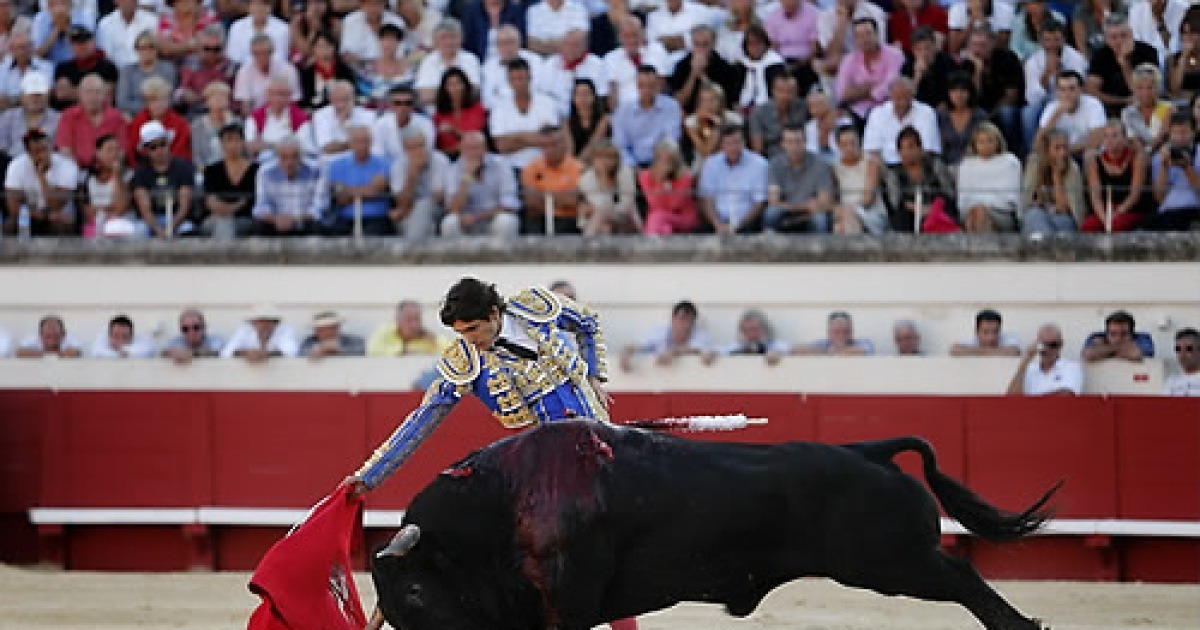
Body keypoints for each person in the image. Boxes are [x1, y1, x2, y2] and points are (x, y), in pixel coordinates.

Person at [346, 277, 615, 493]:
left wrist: (594, 374)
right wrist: (369, 476)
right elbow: (422, 420)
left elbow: (588, 321)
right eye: (461, 332)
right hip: (547, 453)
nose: (469, 339)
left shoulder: (533, 307)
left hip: (597, 425)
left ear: (494, 313)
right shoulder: (465, 363)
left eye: (473, 328)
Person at [1022, 20, 1087, 154]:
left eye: (1056, 39)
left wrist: (1058, 73)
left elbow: (1081, 89)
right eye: (1047, 40)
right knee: (1028, 113)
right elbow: (1032, 99)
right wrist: (1046, 74)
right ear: (1040, 41)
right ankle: (1033, 155)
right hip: (1045, 105)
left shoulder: (1076, 59)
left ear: (1063, 39)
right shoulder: (1033, 62)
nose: (1052, 45)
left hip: (1072, 103)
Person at [957, 25, 1024, 155]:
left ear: (992, 43)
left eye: (982, 45)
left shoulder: (1008, 58)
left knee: (1006, 113)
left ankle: (1014, 152)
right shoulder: (966, 64)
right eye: (974, 45)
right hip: (980, 109)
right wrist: (977, 71)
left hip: (1004, 108)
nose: (978, 50)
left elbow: (1011, 96)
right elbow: (971, 98)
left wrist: (990, 115)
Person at [440, 131, 522, 237]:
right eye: (468, 148)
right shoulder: (453, 169)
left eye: (476, 148)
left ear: (485, 149)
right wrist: (467, 177)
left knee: (506, 221)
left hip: (493, 219)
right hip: (466, 222)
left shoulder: (501, 164)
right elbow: (453, 208)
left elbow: (509, 204)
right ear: (461, 149)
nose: (472, 153)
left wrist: (478, 217)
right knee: (449, 223)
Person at [489, 58, 560, 171]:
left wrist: (517, 138)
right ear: (509, 82)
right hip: (510, 169)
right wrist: (530, 137)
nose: (518, 83)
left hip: (543, 166)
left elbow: (550, 140)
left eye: (521, 78)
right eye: (513, 79)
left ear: (530, 77)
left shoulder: (547, 103)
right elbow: (501, 146)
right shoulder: (499, 107)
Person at [4, 128, 78, 236]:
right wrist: (44, 216)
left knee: (61, 224)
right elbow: (13, 208)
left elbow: (55, 205)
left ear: (50, 148)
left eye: (44, 149)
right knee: (10, 225)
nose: (42, 154)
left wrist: (41, 175)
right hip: (32, 215)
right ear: (28, 153)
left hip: (61, 216)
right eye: (37, 151)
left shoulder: (67, 166)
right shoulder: (16, 166)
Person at [881, 126, 956, 232]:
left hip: (936, 210)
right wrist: (917, 209)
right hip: (909, 213)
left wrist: (932, 209)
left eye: (910, 147)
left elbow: (949, 193)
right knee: (900, 216)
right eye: (902, 148)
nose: (906, 152)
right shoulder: (893, 172)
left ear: (920, 149)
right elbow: (895, 201)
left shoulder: (935, 166)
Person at [698, 125, 769, 234]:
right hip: (717, 223)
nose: (733, 147)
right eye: (728, 143)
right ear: (721, 145)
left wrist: (737, 226)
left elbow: (759, 202)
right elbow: (707, 199)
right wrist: (717, 224)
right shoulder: (710, 164)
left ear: (744, 142)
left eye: (737, 142)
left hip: (747, 223)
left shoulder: (760, 164)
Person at [1082, 120, 1151, 233]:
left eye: (1114, 135)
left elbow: (1135, 195)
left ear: (1124, 138)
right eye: (1106, 136)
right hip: (1105, 209)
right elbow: (1095, 196)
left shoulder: (1136, 159)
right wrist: (1104, 217)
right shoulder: (1095, 161)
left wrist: (1117, 212)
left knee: (1116, 226)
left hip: (1129, 209)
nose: (1109, 140)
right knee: (1088, 226)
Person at [322, 124, 393, 235]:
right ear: (350, 144)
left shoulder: (384, 164)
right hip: (345, 217)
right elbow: (341, 198)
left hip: (376, 217)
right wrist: (369, 190)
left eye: (365, 141)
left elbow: (378, 190)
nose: (361, 146)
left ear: (371, 143)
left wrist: (350, 191)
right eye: (357, 142)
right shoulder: (336, 165)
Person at [131, 120, 196, 238]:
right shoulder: (140, 173)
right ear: (146, 150)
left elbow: (184, 206)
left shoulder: (183, 167)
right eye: (153, 147)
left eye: (162, 144)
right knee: (139, 231)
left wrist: (170, 227)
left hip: (178, 220)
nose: (159, 150)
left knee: (188, 229)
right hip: (151, 221)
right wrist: (158, 230)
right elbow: (145, 209)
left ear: (168, 143)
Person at [765, 125, 835, 233]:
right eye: (789, 142)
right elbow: (773, 201)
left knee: (819, 219)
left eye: (798, 141)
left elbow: (825, 201)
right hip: (790, 208)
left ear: (805, 143)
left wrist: (810, 207)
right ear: (783, 144)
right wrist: (803, 206)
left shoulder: (820, 164)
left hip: (811, 211)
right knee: (771, 213)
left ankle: (821, 249)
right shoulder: (775, 164)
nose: (794, 147)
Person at [1086, 16, 1159, 118]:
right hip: (1111, 108)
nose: (1119, 41)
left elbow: (1143, 91)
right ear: (1106, 40)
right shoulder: (1100, 55)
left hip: (1145, 104)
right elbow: (1092, 91)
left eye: (1124, 35)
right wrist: (1123, 101)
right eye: (1114, 37)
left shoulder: (1148, 52)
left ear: (1132, 35)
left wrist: (1125, 63)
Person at [611, 65, 681, 169]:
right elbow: (620, 145)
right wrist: (633, 166)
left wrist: (657, 167)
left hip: (663, 161)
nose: (646, 90)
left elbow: (671, 139)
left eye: (651, 85)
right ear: (636, 85)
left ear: (658, 85)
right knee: (624, 172)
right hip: (632, 165)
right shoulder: (623, 110)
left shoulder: (671, 106)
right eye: (642, 85)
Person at [956, 122, 1021, 233]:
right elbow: (963, 201)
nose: (985, 145)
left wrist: (985, 206)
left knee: (979, 213)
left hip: (1002, 213)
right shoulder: (966, 165)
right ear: (974, 144)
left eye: (990, 140)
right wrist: (977, 207)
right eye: (981, 141)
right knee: (974, 215)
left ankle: (981, 249)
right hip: (971, 213)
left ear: (997, 142)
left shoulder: (1009, 162)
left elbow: (1011, 199)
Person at [834, 17, 904, 119]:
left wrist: (857, 91)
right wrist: (872, 86)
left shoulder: (894, 55)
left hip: (886, 109)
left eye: (868, 33)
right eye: (859, 36)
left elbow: (887, 88)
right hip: (856, 112)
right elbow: (841, 94)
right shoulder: (849, 59)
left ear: (877, 34)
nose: (864, 39)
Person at [252, 135, 322, 235]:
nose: (289, 162)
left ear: (301, 156)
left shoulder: (316, 170)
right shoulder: (265, 172)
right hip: (276, 222)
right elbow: (261, 206)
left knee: (317, 225)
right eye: (284, 157)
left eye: (294, 156)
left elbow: (318, 208)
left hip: (304, 221)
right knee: (259, 226)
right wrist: (276, 219)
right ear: (277, 157)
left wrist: (294, 219)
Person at [863, 76, 940, 167]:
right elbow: (872, 149)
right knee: (872, 164)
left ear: (912, 96)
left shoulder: (926, 112)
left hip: (916, 165)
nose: (902, 103)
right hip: (885, 167)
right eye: (898, 98)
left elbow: (928, 149)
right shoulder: (877, 114)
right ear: (890, 96)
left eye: (905, 98)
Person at [667, 24, 745, 114]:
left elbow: (726, 102)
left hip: (718, 116)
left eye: (705, 44)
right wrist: (693, 75)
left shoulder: (725, 68)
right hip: (689, 115)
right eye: (697, 44)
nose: (700, 49)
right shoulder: (681, 66)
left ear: (713, 44)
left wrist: (704, 78)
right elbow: (678, 102)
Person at [55, 73, 127, 170]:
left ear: (105, 95)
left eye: (97, 92)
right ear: (79, 94)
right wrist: (78, 172)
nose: (93, 97)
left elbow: (122, 150)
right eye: (88, 92)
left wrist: (107, 170)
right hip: (77, 170)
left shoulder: (117, 117)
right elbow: (65, 149)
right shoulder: (68, 116)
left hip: (109, 170)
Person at [620, 299, 715, 371]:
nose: (686, 324)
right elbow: (637, 346)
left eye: (690, 320)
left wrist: (673, 353)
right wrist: (626, 354)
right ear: (673, 319)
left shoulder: (701, 335)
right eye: (682, 318)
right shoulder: (659, 332)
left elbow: (701, 351)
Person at [521, 125, 583, 234]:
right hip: (539, 218)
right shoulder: (531, 167)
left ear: (563, 145)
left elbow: (572, 200)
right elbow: (531, 201)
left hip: (568, 219)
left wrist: (543, 196)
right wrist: (560, 197)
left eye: (553, 145)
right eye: (544, 146)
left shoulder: (577, 168)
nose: (549, 150)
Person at [199, 123, 258, 239]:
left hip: (245, 218)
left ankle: (221, 256)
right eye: (228, 140)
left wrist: (230, 210)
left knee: (226, 223)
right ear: (221, 144)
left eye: (237, 140)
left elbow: (250, 200)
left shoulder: (256, 170)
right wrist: (222, 210)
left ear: (243, 143)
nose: (233, 145)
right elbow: (209, 199)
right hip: (215, 217)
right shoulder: (212, 170)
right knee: (222, 222)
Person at [1021, 128, 1084, 235]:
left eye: (1065, 147)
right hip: (1039, 217)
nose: (1063, 153)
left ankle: (1046, 245)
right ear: (1047, 150)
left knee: (1058, 222)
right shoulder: (1034, 165)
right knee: (1034, 215)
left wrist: (1057, 175)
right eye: (1057, 148)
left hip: (1063, 219)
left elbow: (1065, 209)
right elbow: (1027, 202)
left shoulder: (1073, 169)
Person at [389, 128, 448, 240]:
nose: (419, 151)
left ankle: (412, 251)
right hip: (408, 212)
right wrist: (412, 173)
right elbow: (400, 201)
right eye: (413, 148)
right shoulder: (398, 165)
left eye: (421, 146)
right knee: (409, 224)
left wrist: (407, 209)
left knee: (424, 205)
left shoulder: (440, 160)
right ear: (405, 150)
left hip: (437, 209)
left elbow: (439, 197)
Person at [1147, 112, 1200, 231]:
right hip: (1168, 212)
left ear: (1193, 132)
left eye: (1184, 132)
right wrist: (1164, 167)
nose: (1179, 138)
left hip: (1194, 210)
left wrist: (1187, 168)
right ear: (1169, 134)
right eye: (1175, 133)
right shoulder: (1160, 157)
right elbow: (1159, 197)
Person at [831, 124, 888, 235]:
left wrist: (849, 209)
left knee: (845, 221)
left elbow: (868, 199)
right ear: (838, 146)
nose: (849, 148)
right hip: (846, 215)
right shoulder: (835, 167)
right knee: (839, 227)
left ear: (859, 142)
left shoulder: (871, 163)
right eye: (844, 145)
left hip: (871, 213)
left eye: (853, 143)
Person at [1038, 70, 1106, 159]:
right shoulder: (1052, 108)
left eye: (1072, 89)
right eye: (1062, 90)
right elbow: (1037, 144)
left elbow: (1096, 141)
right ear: (1057, 92)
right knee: (1035, 158)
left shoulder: (1093, 104)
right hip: (1061, 156)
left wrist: (1064, 151)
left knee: (1090, 154)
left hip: (1084, 154)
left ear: (1081, 90)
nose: (1067, 94)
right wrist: (1056, 115)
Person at [603, 15, 668, 108]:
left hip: (654, 110)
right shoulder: (610, 58)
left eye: (635, 35)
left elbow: (661, 85)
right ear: (619, 37)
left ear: (642, 33)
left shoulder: (657, 51)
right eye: (627, 36)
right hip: (625, 113)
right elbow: (612, 94)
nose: (632, 40)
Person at [245, 75, 311, 164]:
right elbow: (250, 146)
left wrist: (267, 145)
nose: (278, 98)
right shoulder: (255, 117)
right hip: (262, 163)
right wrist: (280, 146)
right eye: (275, 94)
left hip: (293, 163)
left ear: (289, 96)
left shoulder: (301, 118)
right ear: (268, 95)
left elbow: (303, 147)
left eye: (283, 94)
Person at [50, 25, 118, 111]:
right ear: (71, 46)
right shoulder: (63, 67)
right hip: (67, 116)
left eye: (84, 41)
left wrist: (71, 91)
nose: (81, 46)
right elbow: (61, 94)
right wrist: (94, 93)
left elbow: (107, 98)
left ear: (93, 42)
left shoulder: (107, 67)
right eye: (76, 43)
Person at [128, 76, 191, 166]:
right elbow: (133, 150)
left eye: (162, 99)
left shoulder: (180, 124)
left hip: (174, 169)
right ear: (146, 103)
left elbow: (182, 153)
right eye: (153, 101)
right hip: (145, 169)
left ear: (168, 100)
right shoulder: (138, 121)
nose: (158, 104)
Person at [578, 140, 638, 235]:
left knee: (602, 214)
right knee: (605, 228)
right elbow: (600, 204)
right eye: (600, 157)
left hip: (625, 218)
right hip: (599, 220)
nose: (605, 161)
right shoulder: (586, 178)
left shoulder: (625, 172)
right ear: (593, 159)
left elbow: (626, 204)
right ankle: (588, 244)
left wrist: (605, 176)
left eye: (609, 157)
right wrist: (603, 177)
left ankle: (586, 244)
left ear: (616, 159)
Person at [542, 28, 607, 116]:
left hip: (585, 117)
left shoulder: (597, 65)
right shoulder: (550, 63)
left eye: (576, 45)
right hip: (553, 116)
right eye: (567, 44)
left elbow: (600, 97)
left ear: (585, 46)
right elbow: (542, 93)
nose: (570, 48)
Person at [77, 133, 131, 239]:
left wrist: (116, 175)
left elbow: (120, 208)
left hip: (120, 221)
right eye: (110, 150)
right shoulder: (85, 176)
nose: (114, 154)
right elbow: (85, 208)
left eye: (117, 150)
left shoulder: (127, 175)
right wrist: (108, 209)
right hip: (94, 222)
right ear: (98, 153)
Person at [1006, 323, 1083, 396]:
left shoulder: (1071, 367)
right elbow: (1010, 398)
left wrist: (1032, 401)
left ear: (1061, 345)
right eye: (1042, 345)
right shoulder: (1029, 369)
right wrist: (1025, 361)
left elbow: (1067, 395)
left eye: (1052, 345)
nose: (1046, 349)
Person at [640, 139, 698, 235]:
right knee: (665, 227)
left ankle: (650, 246)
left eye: (668, 160)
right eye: (661, 159)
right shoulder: (645, 176)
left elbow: (674, 205)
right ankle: (661, 248)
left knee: (657, 217)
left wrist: (665, 181)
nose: (664, 164)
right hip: (659, 220)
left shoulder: (685, 176)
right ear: (655, 159)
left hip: (683, 217)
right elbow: (654, 204)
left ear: (675, 161)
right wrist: (660, 181)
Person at [309, 79, 375, 161]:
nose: (342, 105)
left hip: (361, 161)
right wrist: (356, 142)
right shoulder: (320, 115)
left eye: (345, 99)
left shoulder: (368, 115)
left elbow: (370, 145)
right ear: (331, 100)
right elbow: (326, 147)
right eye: (337, 100)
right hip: (332, 162)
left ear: (353, 98)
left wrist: (346, 125)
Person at [115, 31, 177, 117]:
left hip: (163, 115)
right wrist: (150, 108)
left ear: (157, 49)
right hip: (135, 115)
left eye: (151, 47)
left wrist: (156, 109)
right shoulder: (127, 71)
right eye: (143, 48)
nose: (147, 51)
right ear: (136, 50)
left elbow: (172, 98)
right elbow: (122, 102)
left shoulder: (167, 69)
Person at [232, 35, 301, 113]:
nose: (261, 57)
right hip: (256, 117)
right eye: (256, 53)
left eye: (264, 53)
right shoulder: (244, 72)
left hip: (284, 115)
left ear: (272, 52)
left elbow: (294, 100)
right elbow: (245, 104)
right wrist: (253, 123)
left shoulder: (288, 70)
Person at [176, 25, 236, 115]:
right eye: (207, 48)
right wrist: (183, 94)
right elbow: (179, 93)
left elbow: (236, 100)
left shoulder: (231, 67)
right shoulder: (190, 63)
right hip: (195, 111)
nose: (211, 53)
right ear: (199, 47)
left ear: (223, 48)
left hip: (224, 112)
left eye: (216, 49)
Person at [0, 73, 59, 160]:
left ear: (47, 96)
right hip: (11, 164)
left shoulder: (59, 118)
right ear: (22, 96)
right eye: (30, 94)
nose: (35, 98)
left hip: (46, 165)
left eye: (39, 94)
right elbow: (2, 147)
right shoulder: (8, 116)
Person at [433, 66, 487, 159]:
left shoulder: (476, 108)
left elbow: (475, 139)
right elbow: (437, 148)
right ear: (445, 88)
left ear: (465, 85)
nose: (455, 88)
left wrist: (453, 131)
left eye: (458, 83)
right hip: (448, 159)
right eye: (450, 84)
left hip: (474, 156)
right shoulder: (439, 114)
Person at [684, 83, 740, 170]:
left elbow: (733, 147)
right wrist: (716, 128)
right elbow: (706, 152)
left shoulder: (734, 119)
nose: (707, 105)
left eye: (712, 100)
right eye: (703, 101)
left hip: (731, 161)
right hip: (703, 164)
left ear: (721, 102)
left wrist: (719, 124)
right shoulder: (691, 121)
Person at [367, 299, 452, 357]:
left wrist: (435, 344)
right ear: (397, 320)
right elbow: (372, 350)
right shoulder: (385, 332)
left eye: (417, 319)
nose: (414, 325)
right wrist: (401, 352)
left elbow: (452, 354)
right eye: (409, 320)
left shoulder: (429, 338)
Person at [937, 73, 988, 168]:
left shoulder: (979, 115)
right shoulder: (941, 115)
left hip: (975, 163)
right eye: (954, 91)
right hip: (946, 166)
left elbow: (984, 142)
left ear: (970, 93)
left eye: (963, 90)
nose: (958, 95)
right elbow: (939, 146)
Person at [298, 30, 358, 111]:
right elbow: (305, 99)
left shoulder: (345, 70)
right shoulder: (307, 73)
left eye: (327, 45)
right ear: (313, 49)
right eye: (319, 46)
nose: (323, 49)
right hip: (315, 112)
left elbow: (352, 94)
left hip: (341, 109)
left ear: (333, 47)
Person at [748, 71, 802, 161]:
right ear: (773, 91)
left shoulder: (803, 108)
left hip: (800, 158)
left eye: (790, 91)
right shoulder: (759, 113)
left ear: (796, 92)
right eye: (781, 91)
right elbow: (757, 150)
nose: (785, 96)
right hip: (771, 161)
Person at [1121, 64, 1173, 154]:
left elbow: (1161, 138)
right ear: (1134, 89)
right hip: (1138, 155)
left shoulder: (1168, 109)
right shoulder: (1127, 113)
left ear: (1157, 88)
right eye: (1140, 88)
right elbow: (1133, 140)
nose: (1145, 92)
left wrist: (1147, 153)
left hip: (1162, 152)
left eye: (1150, 88)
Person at [647, 0, 712, 72]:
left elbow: (702, 38)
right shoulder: (653, 15)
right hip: (661, 59)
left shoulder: (700, 11)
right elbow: (652, 41)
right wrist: (679, 40)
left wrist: (667, 41)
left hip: (689, 58)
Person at [372, 87, 435, 161]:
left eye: (408, 103)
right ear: (390, 105)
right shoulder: (380, 124)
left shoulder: (426, 124)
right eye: (397, 103)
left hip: (418, 165)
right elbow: (378, 154)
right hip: (388, 168)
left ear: (414, 105)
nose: (403, 107)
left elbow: (426, 151)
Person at [338, 0, 406, 68]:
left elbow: (400, 54)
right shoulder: (350, 21)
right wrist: (369, 65)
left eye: (377, 4)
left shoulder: (397, 21)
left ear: (384, 4)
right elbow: (346, 54)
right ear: (361, 4)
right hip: (358, 72)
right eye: (369, 5)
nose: (373, 9)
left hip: (391, 71)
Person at [221, 305, 300, 362]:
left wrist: (265, 354)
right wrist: (246, 353)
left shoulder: (285, 331)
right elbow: (226, 352)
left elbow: (291, 352)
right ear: (253, 323)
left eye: (267, 321)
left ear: (275, 323)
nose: (263, 325)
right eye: (259, 321)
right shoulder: (245, 330)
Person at [903, 26, 956, 110]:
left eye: (928, 48)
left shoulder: (947, 62)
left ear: (935, 46)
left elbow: (956, 87)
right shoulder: (907, 66)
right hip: (917, 109)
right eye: (919, 49)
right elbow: (905, 97)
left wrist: (946, 102)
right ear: (913, 51)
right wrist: (917, 76)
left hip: (944, 108)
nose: (924, 53)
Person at [224, 0, 289, 67]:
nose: (259, 9)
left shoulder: (283, 29)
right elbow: (233, 57)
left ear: (270, 7)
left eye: (263, 5)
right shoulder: (236, 27)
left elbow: (280, 58)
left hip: (273, 72)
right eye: (255, 5)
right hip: (242, 71)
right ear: (249, 7)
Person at [190, 82, 240, 169]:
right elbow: (197, 155)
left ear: (228, 101)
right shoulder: (197, 125)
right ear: (206, 102)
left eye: (223, 96)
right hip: (207, 170)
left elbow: (243, 153)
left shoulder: (237, 123)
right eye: (214, 96)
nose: (219, 99)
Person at [735, 25, 784, 111]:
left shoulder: (775, 64)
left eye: (758, 43)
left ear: (765, 44)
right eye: (751, 44)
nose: (755, 47)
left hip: (768, 109)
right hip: (743, 109)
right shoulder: (741, 65)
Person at [460, 0, 528, 62]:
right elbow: (467, 41)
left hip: (510, 60)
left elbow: (521, 39)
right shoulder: (471, 10)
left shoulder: (515, 10)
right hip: (479, 61)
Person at [0, 31, 52, 110]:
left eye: (25, 47)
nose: (22, 51)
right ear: (12, 50)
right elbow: (2, 97)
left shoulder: (45, 67)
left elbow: (45, 95)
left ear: (31, 48)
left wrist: (14, 100)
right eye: (18, 47)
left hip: (37, 110)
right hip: (8, 112)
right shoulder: (2, 68)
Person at [97, 0, 155, 69]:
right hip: (117, 74)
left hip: (145, 73)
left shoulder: (151, 21)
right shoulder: (105, 24)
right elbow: (107, 56)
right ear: (116, 1)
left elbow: (154, 53)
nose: (130, 2)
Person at [1128, 0, 1187, 66]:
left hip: (1178, 63)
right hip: (1149, 66)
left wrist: (1159, 19)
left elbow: (1177, 47)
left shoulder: (1184, 8)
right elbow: (1137, 46)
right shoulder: (1136, 11)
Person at [1082, 310, 1155, 363]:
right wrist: (1123, 350)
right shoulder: (1096, 336)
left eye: (1124, 334)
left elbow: (1136, 354)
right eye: (1113, 334)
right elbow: (1088, 355)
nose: (1118, 339)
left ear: (1132, 334)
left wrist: (1103, 349)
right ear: (1106, 333)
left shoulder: (1143, 338)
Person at [945, 0, 1014, 56]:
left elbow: (1002, 47)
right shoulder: (956, 9)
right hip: (965, 60)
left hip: (994, 60)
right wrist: (972, 21)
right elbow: (953, 49)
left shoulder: (1005, 10)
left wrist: (982, 18)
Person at [721, 308, 788, 366]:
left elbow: (794, 349)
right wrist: (712, 354)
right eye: (745, 331)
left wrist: (777, 353)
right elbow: (719, 351)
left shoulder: (774, 344)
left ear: (764, 329)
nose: (750, 335)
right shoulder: (737, 346)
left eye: (754, 329)